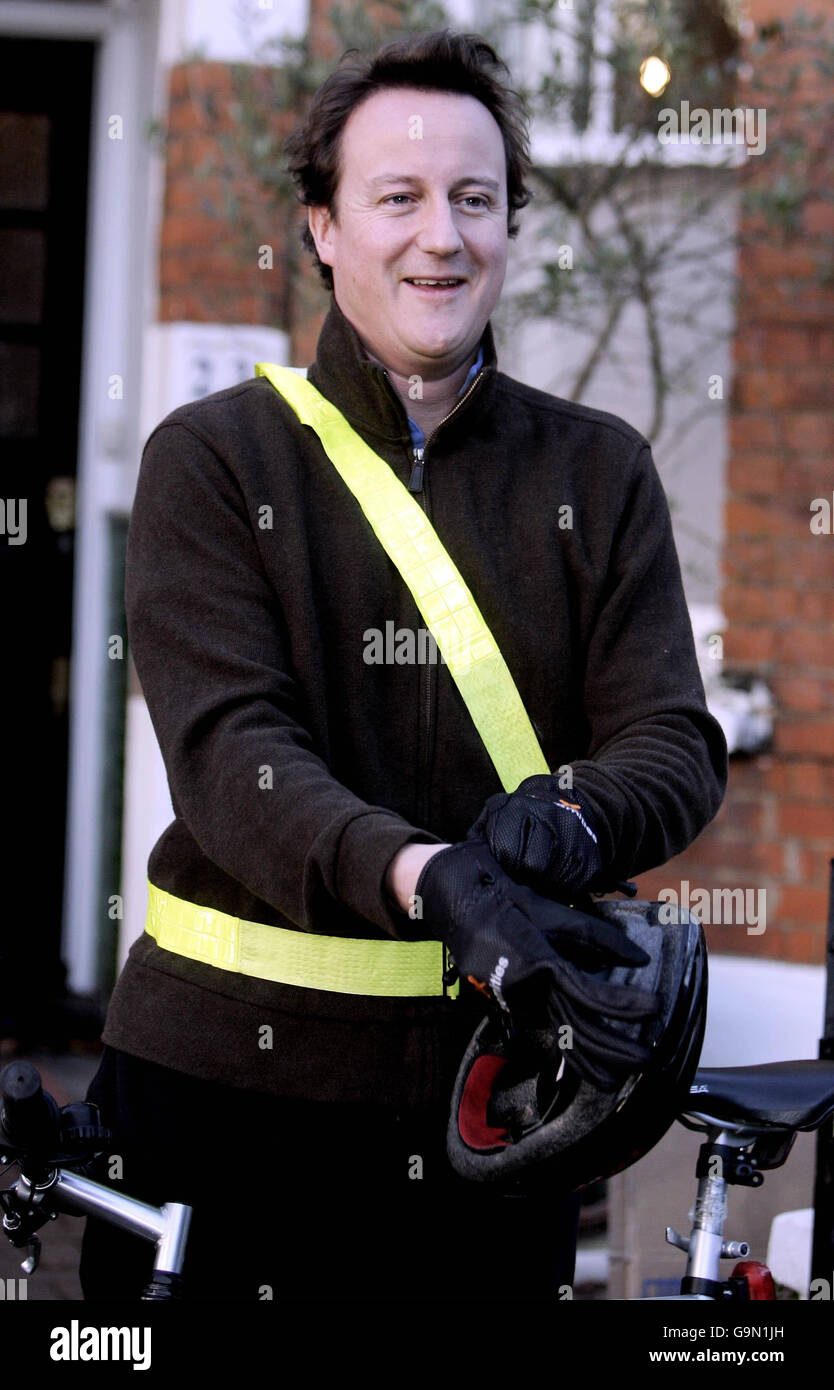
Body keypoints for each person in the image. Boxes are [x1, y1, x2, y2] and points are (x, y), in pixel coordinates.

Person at [78, 28, 727, 1302]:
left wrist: (580, 818)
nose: (444, 236)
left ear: (510, 225)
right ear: (320, 226)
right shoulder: (214, 462)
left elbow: (675, 740)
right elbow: (233, 762)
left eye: (474, 199)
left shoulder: (597, 471)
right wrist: (432, 879)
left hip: (495, 1109)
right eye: (399, 198)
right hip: (223, 1096)